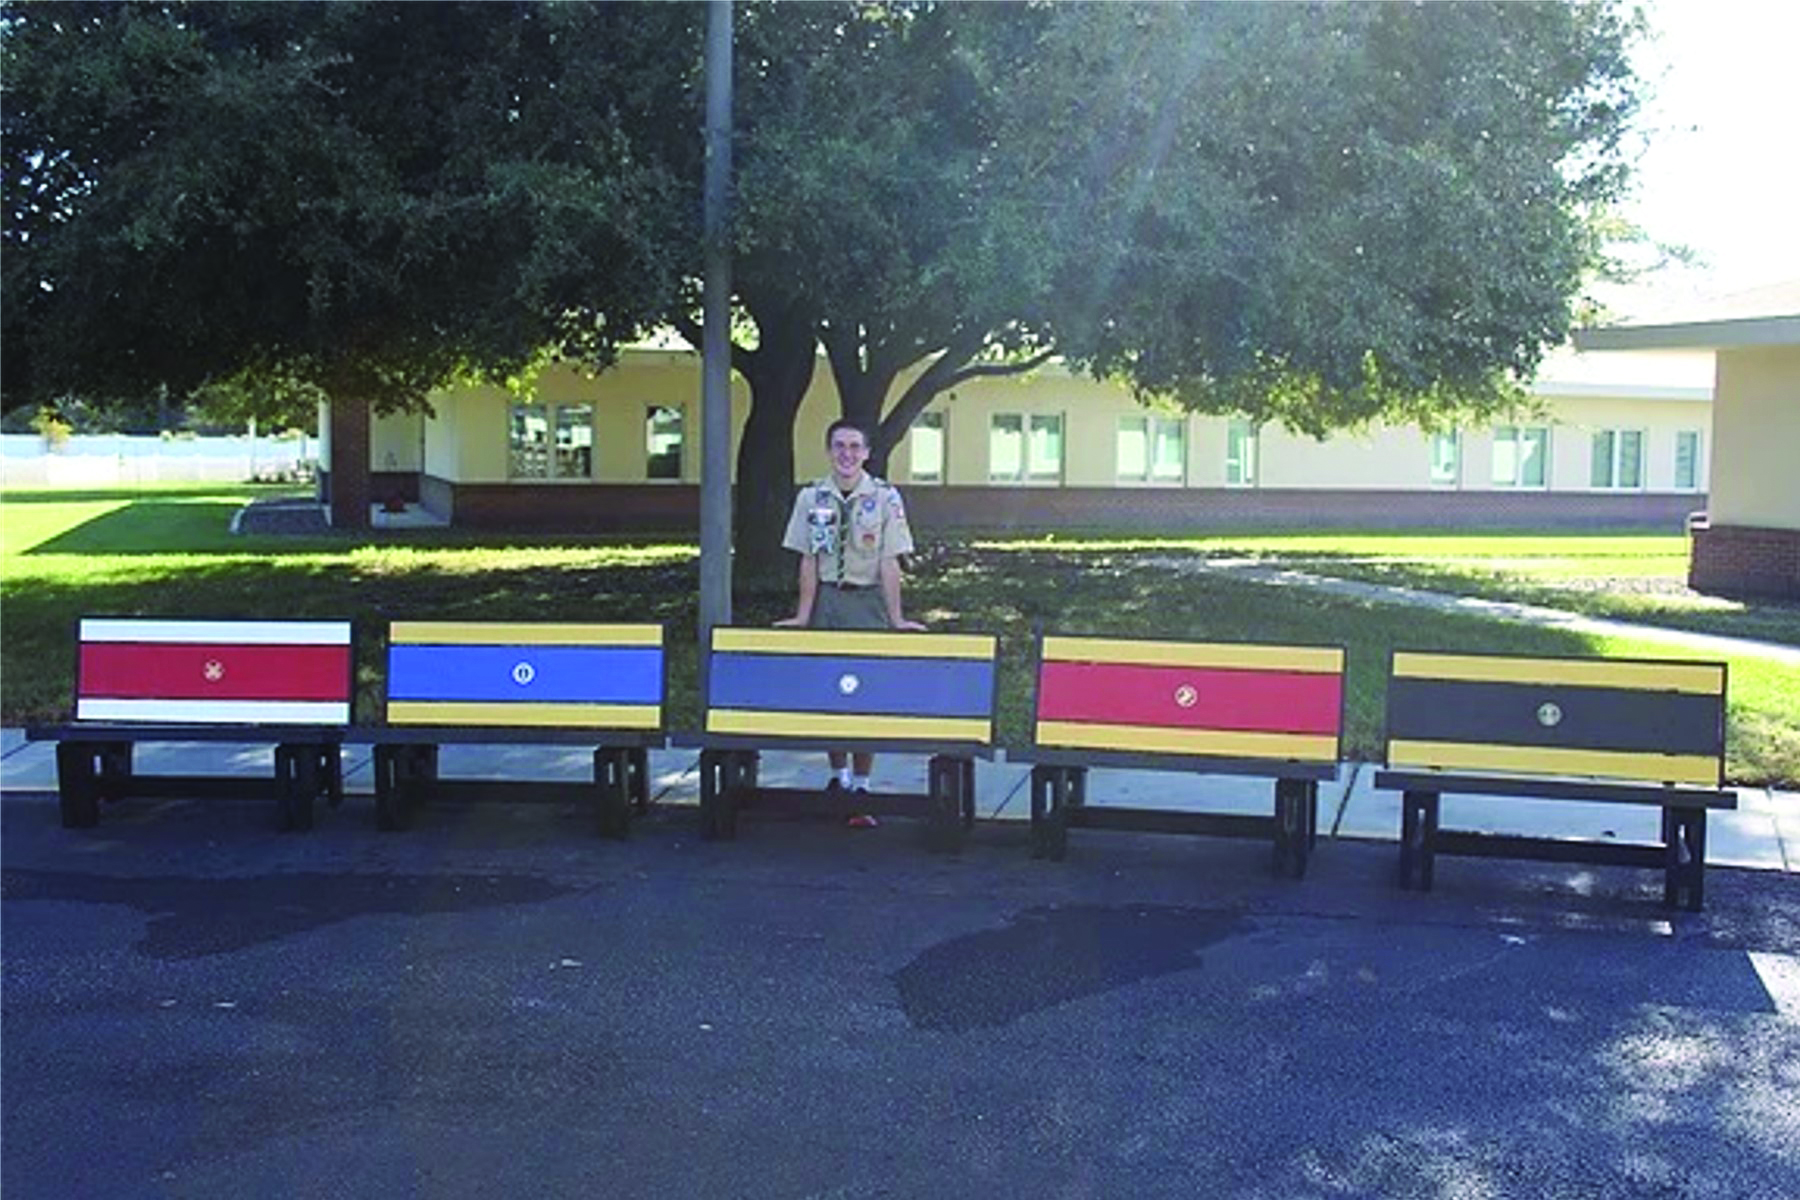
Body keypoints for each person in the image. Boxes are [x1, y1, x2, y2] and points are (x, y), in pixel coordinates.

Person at [777, 418, 925, 816]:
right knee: (828, 690)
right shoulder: (812, 498)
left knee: (865, 693)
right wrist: (802, 615)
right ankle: (837, 775)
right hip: (828, 600)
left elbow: (890, 562)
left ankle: (863, 785)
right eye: (839, 446)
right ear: (829, 451)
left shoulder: (885, 498)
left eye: (854, 447)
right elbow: (808, 559)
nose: (847, 454)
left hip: (867, 603)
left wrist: (896, 619)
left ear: (867, 453)